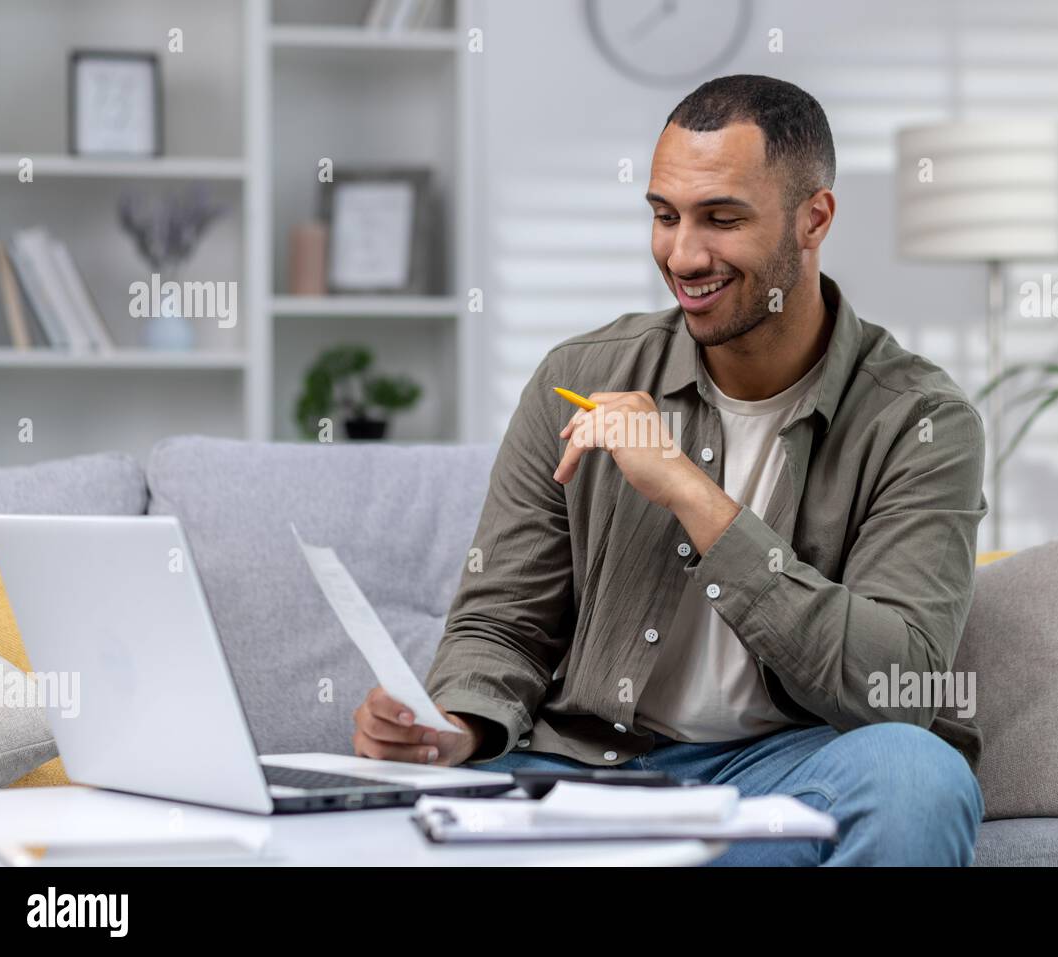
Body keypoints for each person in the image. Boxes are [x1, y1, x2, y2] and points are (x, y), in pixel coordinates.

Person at [354, 74, 987, 866]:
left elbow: (894, 682)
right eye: (664, 216)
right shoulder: (577, 376)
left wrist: (690, 491)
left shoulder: (920, 421)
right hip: (586, 768)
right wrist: (454, 726)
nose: (683, 254)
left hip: (784, 772)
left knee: (916, 774)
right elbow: (502, 625)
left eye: (722, 218)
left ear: (813, 218)